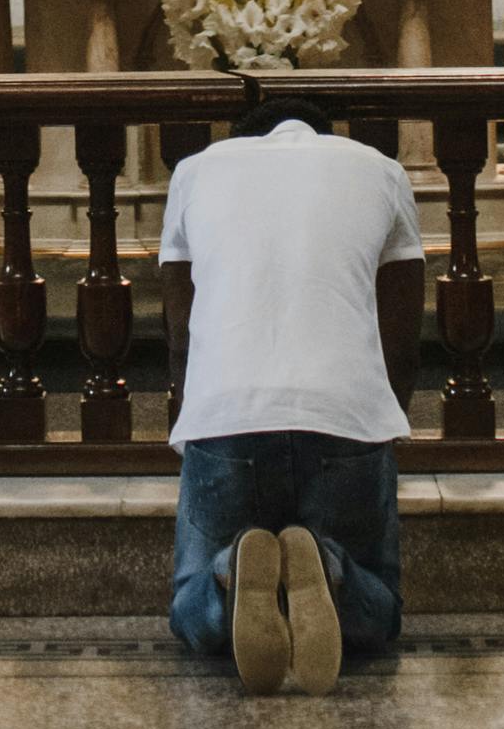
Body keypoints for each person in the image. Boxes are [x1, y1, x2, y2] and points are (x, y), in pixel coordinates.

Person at [158, 81, 426, 694]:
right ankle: (330, 569)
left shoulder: (195, 171)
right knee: (381, 610)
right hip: (345, 414)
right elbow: (404, 335)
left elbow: (179, 331)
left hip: (227, 415)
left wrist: (195, 422)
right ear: (326, 135)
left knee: (187, 609)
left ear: (245, 138)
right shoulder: (381, 171)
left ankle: (227, 573)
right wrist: (380, 426)